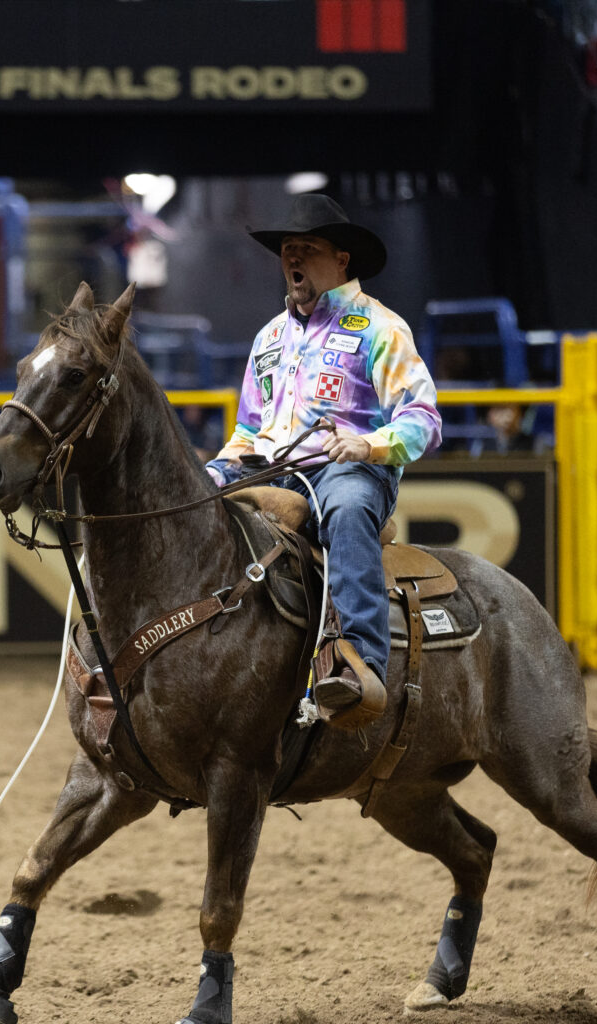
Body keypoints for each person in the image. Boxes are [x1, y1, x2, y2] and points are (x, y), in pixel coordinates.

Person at [204, 194, 441, 725]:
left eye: (307, 247)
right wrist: (217, 471)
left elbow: (424, 419)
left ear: (341, 260)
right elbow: (248, 428)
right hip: (271, 468)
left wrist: (368, 445)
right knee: (192, 510)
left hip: (348, 470)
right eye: (288, 249)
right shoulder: (268, 338)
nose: (293, 257)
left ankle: (359, 663)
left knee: (349, 506)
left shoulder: (382, 327)